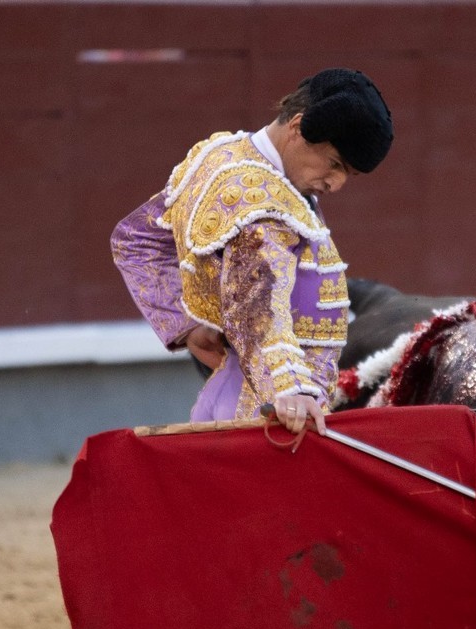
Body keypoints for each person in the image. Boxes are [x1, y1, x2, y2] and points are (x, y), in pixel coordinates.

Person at [111, 68, 393, 435]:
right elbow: (258, 307)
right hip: (266, 413)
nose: (336, 184)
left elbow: (136, 239)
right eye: (335, 165)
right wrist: (289, 390)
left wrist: (186, 325)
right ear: (298, 126)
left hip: (248, 392)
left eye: (348, 175)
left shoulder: (223, 156)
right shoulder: (262, 203)